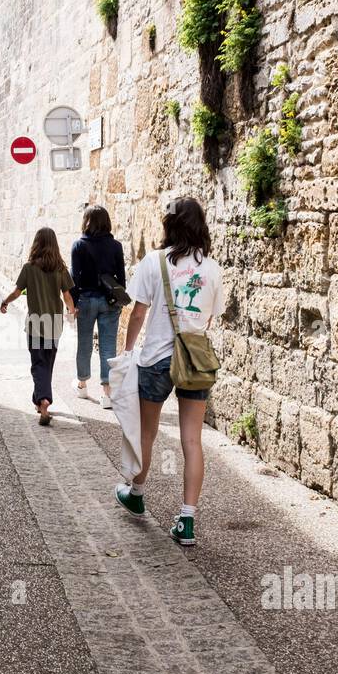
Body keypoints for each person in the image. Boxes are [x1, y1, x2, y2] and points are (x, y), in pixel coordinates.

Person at [114, 197, 221, 546]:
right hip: (193, 359)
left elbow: (139, 313)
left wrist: (128, 350)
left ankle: (137, 493)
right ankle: (187, 520)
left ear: (169, 225)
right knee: (192, 439)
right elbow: (208, 318)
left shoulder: (153, 262)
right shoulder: (212, 269)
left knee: (147, 432)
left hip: (157, 357)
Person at [0, 228, 75, 426]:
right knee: (46, 362)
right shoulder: (60, 269)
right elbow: (67, 296)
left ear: (36, 244)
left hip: (35, 324)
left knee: (38, 363)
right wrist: (71, 311)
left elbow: (17, 292)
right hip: (54, 323)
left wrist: (5, 301)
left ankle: (43, 401)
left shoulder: (29, 268)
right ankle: (39, 400)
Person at [69, 204, 126, 410]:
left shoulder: (78, 246)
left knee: (84, 343)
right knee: (108, 347)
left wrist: (73, 304)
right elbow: (121, 277)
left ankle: (82, 384)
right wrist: (118, 299)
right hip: (109, 301)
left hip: (86, 300)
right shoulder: (116, 246)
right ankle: (107, 394)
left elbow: (74, 279)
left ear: (86, 222)